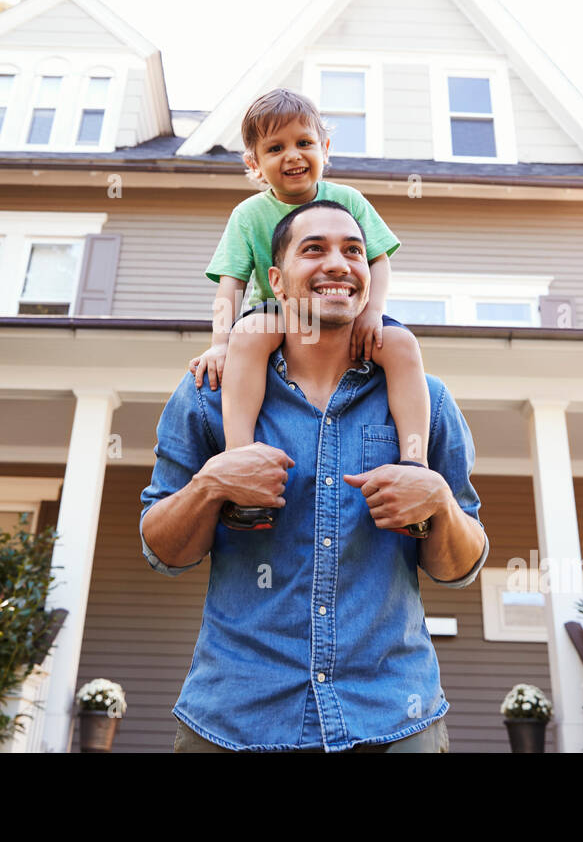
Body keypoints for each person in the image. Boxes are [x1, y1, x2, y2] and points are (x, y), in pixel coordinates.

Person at [141, 201, 489, 752]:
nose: (339, 263)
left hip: (393, 718)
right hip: (234, 719)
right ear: (276, 281)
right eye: (314, 249)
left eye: (353, 250)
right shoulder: (209, 395)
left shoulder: (425, 400)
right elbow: (163, 550)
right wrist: (213, 484)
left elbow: (461, 566)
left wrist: (440, 503)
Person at [188, 88, 432, 530]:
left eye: (304, 143)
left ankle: (413, 467)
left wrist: (373, 312)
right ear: (254, 164)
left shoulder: (350, 200)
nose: (293, 156)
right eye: (275, 148)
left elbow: (379, 259)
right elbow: (231, 285)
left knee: (400, 344)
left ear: (325, 149)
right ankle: (240, 461)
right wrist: (220, 344)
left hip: (344, 313)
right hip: (277, 313)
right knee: (250, 335)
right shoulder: (248, 215)